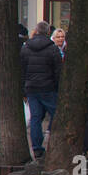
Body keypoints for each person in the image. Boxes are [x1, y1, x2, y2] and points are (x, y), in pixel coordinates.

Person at [21, 20, 62, 161]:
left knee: (35, 119)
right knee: (57, 116)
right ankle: (58, 146)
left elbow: (22, 70)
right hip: (48, 88)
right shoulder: (53, 49)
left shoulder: (26, 47)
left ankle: (37, 149)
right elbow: (58, 71)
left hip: (31, 88)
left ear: (36, 31)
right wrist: (58, 88)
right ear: (48, 32)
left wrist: (23, 89)